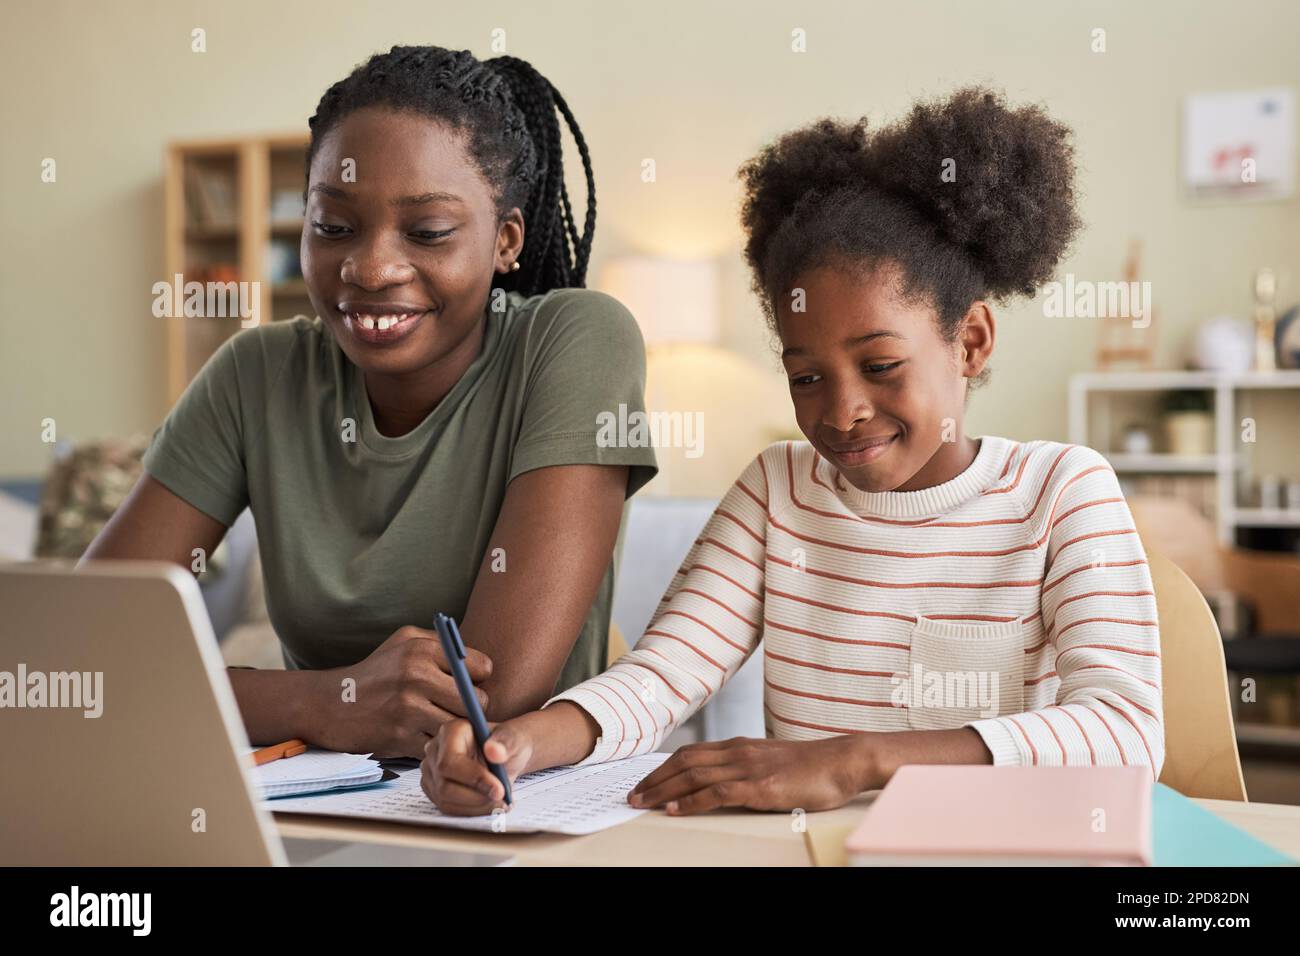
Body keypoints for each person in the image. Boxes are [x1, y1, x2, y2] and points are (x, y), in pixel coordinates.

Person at [422, 87, 1164, 816]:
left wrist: (857, 759)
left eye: (880, 367)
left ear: (969, 341)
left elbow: (1126, 733)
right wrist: (518, 744)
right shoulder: (779, 491)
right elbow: (661, 678)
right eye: (806, 376)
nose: (842, 411)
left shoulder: (1062, 491)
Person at [82, 46, 658, 758]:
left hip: (518, 809)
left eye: (427, 232)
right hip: (312, 801)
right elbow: (89, 654)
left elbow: (490, 691)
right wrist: (327, 702)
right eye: (334, 227)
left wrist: (248, 697)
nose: (370, 267)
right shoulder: (255, 374)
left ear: (506, 239)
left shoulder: (577, 341)